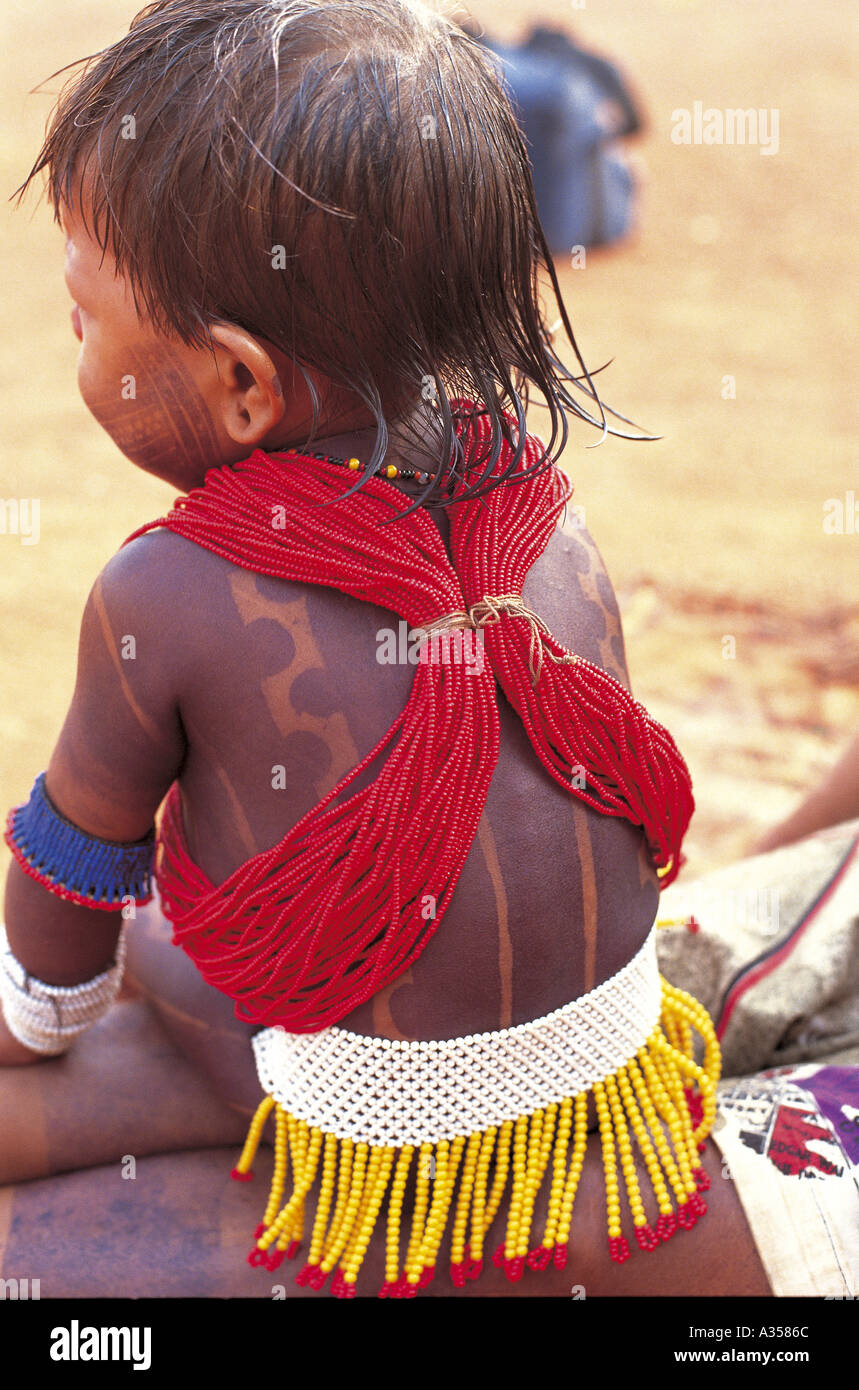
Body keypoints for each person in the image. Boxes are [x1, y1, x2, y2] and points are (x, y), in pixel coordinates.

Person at [0, 0, 772, 1299]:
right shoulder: (539, 511)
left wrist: (41, 1024)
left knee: (99, 1010)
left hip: (382, 1119)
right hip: (609, 1079)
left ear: (243, 385)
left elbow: (64, 921)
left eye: (86, 319)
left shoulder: (165, 593)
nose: (74, 338)